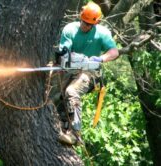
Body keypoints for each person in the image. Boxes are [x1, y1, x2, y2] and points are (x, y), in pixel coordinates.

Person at [57, 1, 119, 145]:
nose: (85, 26)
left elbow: (114, 52)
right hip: (70, 69)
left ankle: (75, 134)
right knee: (55, 95)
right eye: (83, 22)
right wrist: (67, 58)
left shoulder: (102, 33)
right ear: (80, 18)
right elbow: (64, 51)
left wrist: (100, 59)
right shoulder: (70, 29)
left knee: (72, 91)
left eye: (88, 24)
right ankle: (62, 126)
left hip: (91, 72)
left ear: (96, 23)